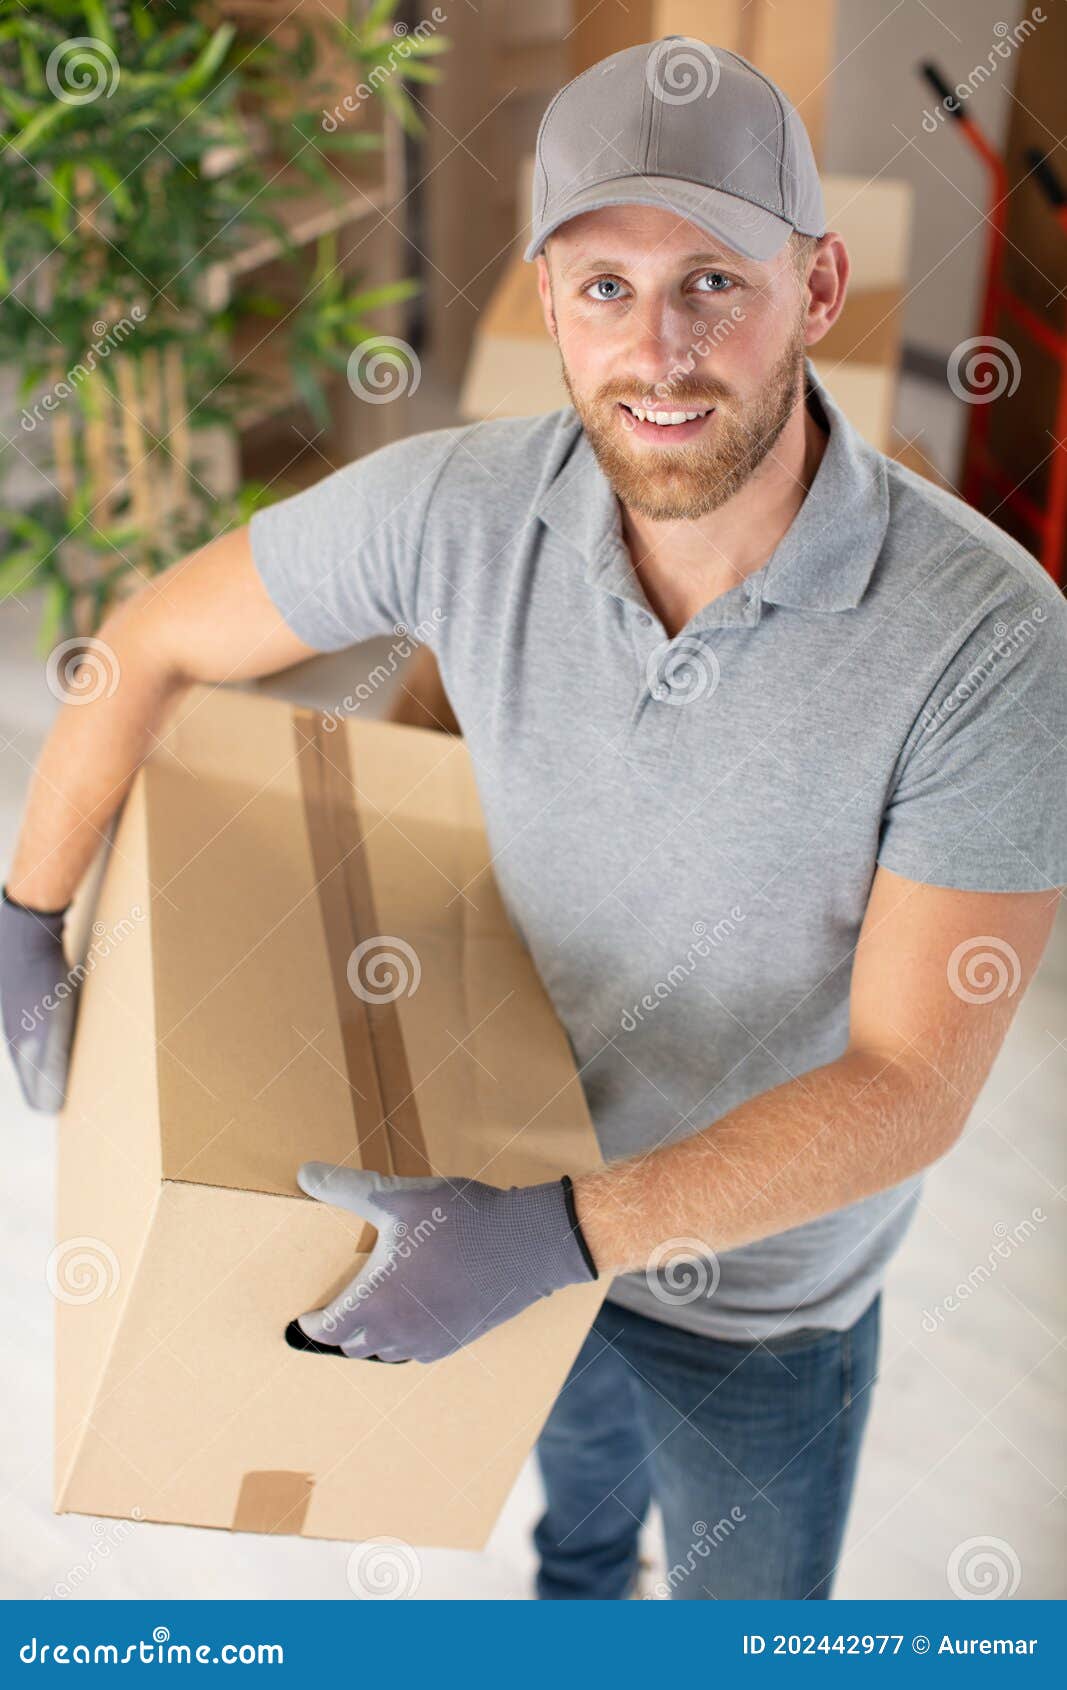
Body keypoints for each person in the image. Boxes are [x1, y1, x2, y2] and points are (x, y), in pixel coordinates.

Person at [4, 38, 1066, 1599]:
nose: (658, 352)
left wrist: (566, 1234)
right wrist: (26, 913)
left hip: (761, 1290)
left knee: (748, 1615)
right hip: (492, 1182)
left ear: (821, 286)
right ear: (550, 296)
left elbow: (913, 1082)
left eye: (715, 281)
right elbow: (151, 637)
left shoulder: (990, 642)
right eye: (604, 287)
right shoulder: (461, 508)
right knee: (578, 1527)